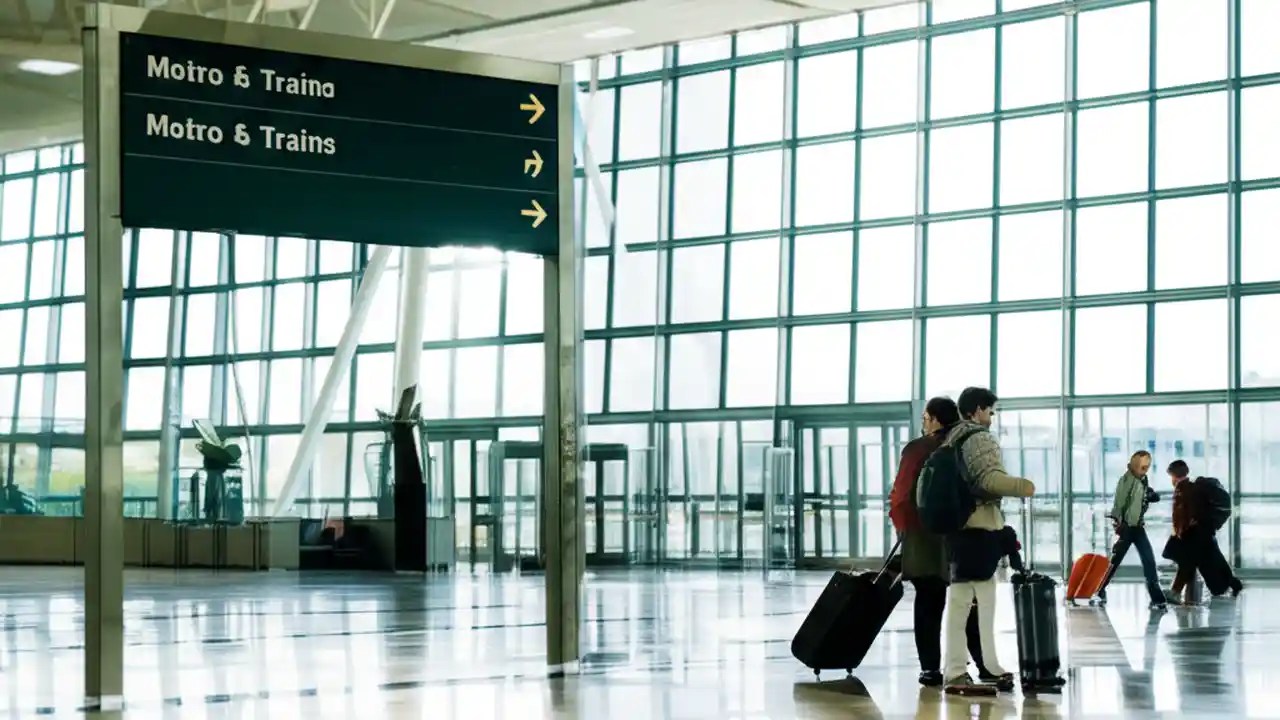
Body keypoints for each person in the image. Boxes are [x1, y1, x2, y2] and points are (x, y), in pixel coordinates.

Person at [889, 397, 990, 688]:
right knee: (968, 603)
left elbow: (902, 495)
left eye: (925, 418)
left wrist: (903, 528)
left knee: (928, 604)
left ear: (933, 419)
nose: (923, 423)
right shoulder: (967, 445)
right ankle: (982, 665)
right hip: (964, 535)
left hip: (924, 536)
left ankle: (930, 669)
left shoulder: (918, 448)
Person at [941, 387, 1036, 695]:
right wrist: (1024, 486)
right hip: (980, 529)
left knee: (959, 605)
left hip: (958, 530)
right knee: (982, 605)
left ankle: (964, 668)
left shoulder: (951, 437)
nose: (992, 418)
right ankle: (980, 668)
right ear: (978, 410)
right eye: (991, 411)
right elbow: (988, 480)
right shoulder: (978, 437)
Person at [1097, 451, 1166, 610]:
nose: (1145, 469)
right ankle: (1098, 589)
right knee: (1114, 562)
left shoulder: (1142, 479)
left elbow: (1143, 496)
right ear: (1134, 465)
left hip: (1138, 527)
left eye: (1147, 466)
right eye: (1142, 466)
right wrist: (1118, 523)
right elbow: (1119, 502)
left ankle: (1157, 599)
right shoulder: (1127, 480)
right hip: (1127, 527)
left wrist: (1151, 495)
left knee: (1148, 561)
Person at [1166, 460, 1243, 599]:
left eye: (1171, 476)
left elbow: (1187, 514)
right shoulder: (1192, 487)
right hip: (1202, 532)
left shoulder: (1184, 489)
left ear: (1174, 475)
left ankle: (1176, 593)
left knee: (1188, 562)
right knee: (1213, 560)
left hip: (1195, 533)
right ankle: (1233, 583)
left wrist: (1183, 529)